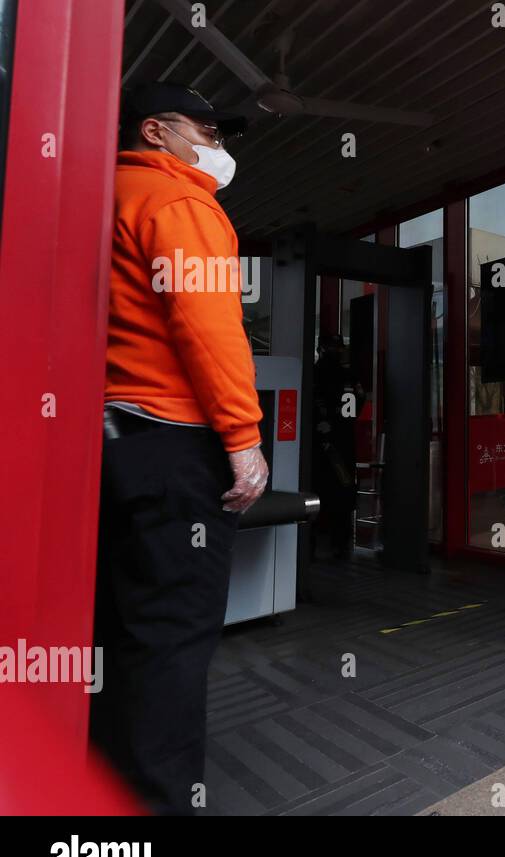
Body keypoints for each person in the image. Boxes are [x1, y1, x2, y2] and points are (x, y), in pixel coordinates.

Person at [91, 82, 267, 815]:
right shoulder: (181, 202)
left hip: (114, 440)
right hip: (176, 445)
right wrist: (245, 440)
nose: (217, 148)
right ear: (156, 130)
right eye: (209, 131)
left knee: (119, 632)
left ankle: (97, 798)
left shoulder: (104, 198)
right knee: (170, 643)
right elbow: (208, 327)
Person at [311, 333, 362, 559]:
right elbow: (358, 401)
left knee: (317, 490)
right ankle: (340, 544)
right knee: (342, 488)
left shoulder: (315, 373)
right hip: (343, 440)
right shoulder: (349, 375)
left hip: (320, 442)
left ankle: (310, 544)